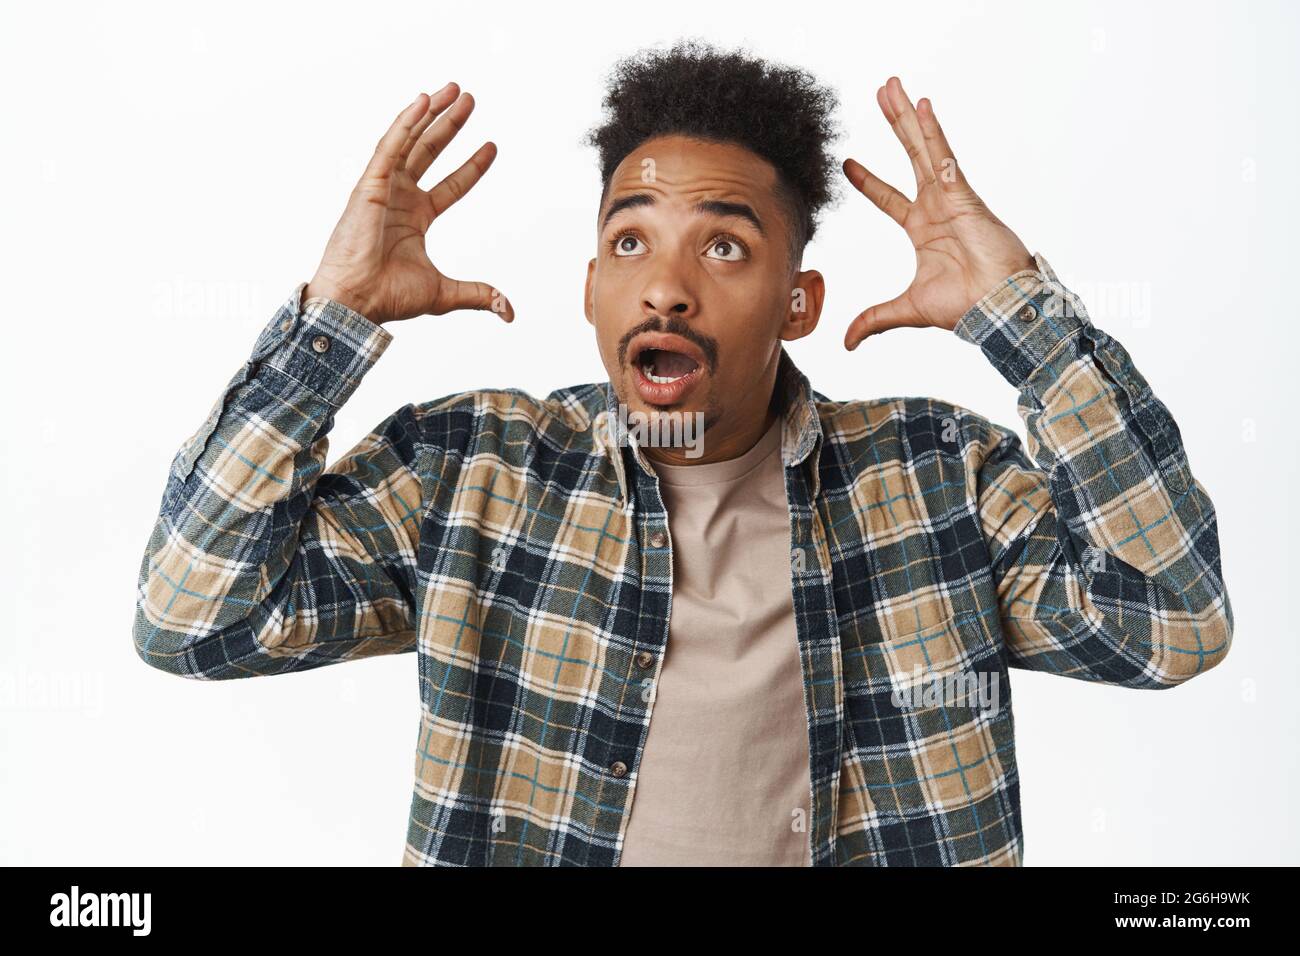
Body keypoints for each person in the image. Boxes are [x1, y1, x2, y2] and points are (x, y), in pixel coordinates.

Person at [133, 39, 1233, 866]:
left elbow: (1171, 622)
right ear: (591, 290)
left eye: (722, 242)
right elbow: (194, 617)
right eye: (629, 239)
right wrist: (332, 318)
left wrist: (1021, 316)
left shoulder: (937, 477)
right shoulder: (469, 471)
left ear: (798, 301)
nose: (666, 283)